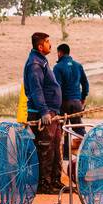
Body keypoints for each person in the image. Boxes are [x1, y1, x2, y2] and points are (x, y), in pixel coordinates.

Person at [23, 31, 63, 193]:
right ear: (40, 46)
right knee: (45, 149)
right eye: (47, 42)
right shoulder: (34, 64)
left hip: (52, 112)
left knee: (55, 146)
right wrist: (44, 112)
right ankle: (44, 184)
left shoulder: (42, 60)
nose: (50, 44)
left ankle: (55, 180)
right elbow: (36, 90)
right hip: (43, 114)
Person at [53, 43, 89, 138]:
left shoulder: (58, 67)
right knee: (79, 129)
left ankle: (63, 152)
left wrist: (55, 106)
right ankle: (86, 146)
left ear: (60, 53)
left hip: (63, 104)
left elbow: (57, 88)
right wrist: (82, 99)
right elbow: (85, 84)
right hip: (77, 103)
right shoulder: (78, 66)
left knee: (61, 130)